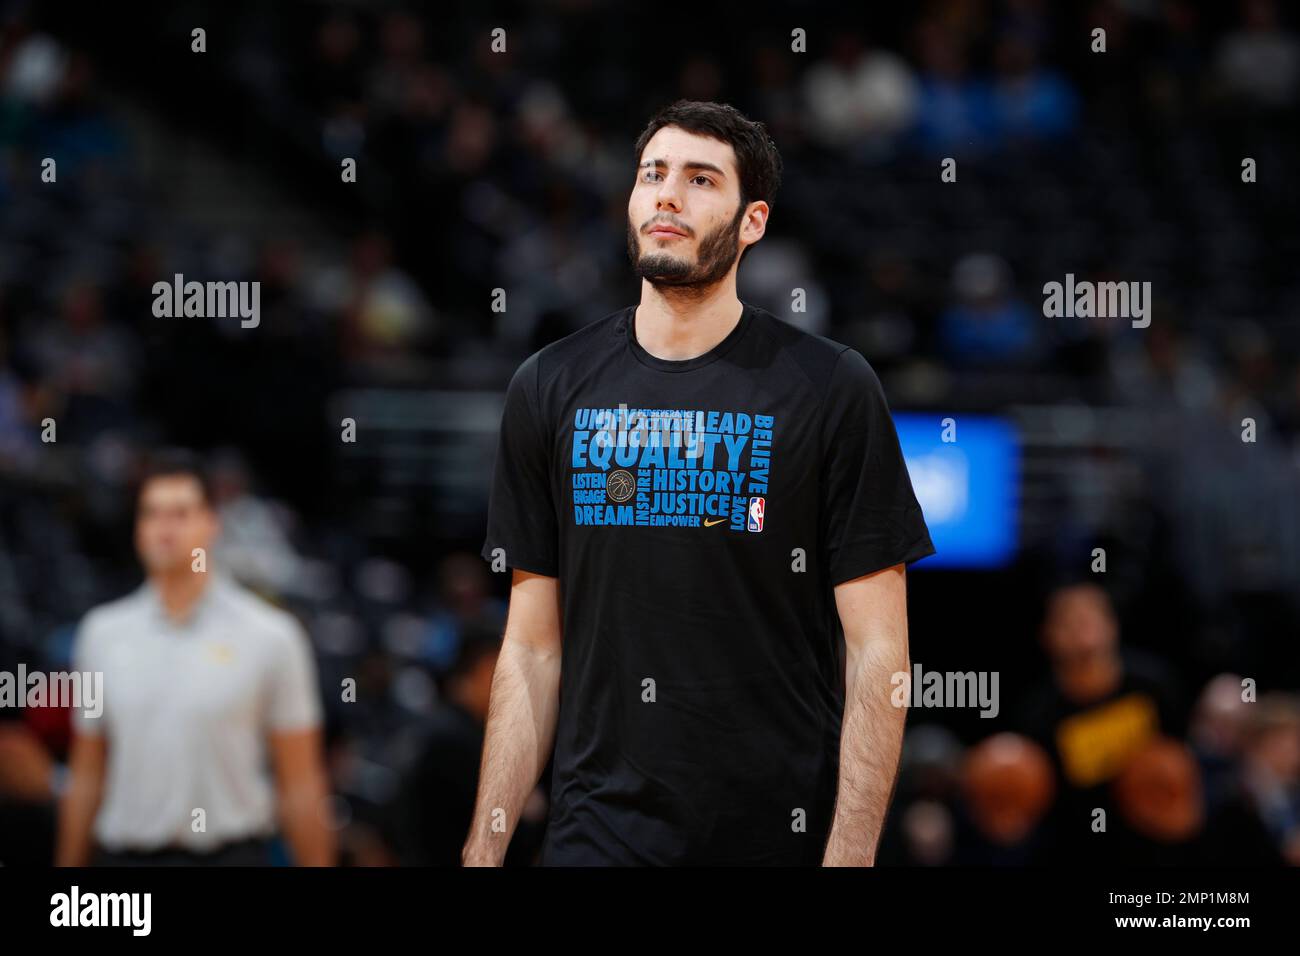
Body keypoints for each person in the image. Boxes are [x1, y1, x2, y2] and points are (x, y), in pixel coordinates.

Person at [467, 100, 934, 866]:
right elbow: (530, 650)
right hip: (597, 831)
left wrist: (850, 856)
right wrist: (483, 850)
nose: (667, 196)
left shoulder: (829, 387)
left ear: (752, 222)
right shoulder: (549, 385)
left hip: (776, 828)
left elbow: (878, 651)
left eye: (699, 179)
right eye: (652, 174)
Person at [56, 449, 334, 866]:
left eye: (181, 513)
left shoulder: (271, 636)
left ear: (211, 523)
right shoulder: (102, 634)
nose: (165, 528)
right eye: (152, 513)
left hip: (228, 856)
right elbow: (88, 773)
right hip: (126, 865)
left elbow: (300, 784)